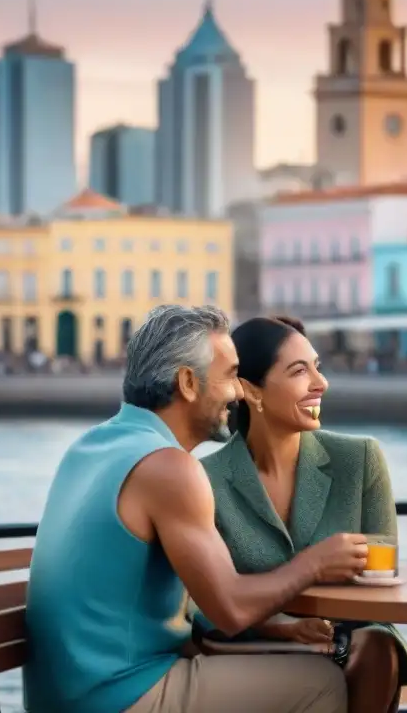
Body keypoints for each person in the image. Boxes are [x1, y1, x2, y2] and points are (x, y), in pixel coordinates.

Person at [24, 305, 360, 713]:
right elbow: (232, 608)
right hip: (117, 697)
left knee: (290, 661)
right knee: (321, 682)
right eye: (230, 375)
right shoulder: (169, 467)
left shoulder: (90, 447)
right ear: (187, 382)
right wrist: (315, 563)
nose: (239, 392)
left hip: (66, 695)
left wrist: (273, 631)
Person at [197, 316, 407, 713]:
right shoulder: (203, 480)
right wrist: (278, 625)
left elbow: (382, 576)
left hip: (348, 642)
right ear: (250, 390)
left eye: (318, 367)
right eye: (299, 371)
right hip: (248, 651)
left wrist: (327, 631)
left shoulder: (361, 459)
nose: (321, 383)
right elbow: (195, 603)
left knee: (379, 646)